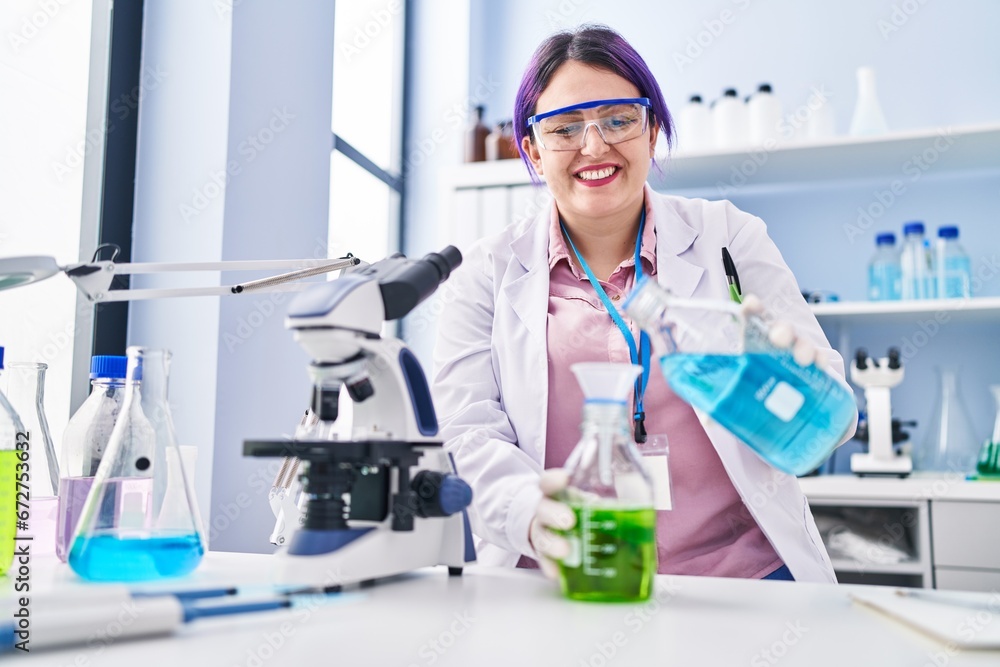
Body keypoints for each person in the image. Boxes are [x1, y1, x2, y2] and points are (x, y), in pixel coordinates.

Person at [431, 25, 857, 584]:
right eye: (564, 129)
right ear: (532, 149)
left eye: (618, 119)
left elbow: (833, 418)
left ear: (652, 129)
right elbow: (464, 432)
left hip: (740, 582)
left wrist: (795, 383)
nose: (594, 145)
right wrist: (531, 513)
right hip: (566, 576)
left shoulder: (728, 236)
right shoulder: (485, 271)